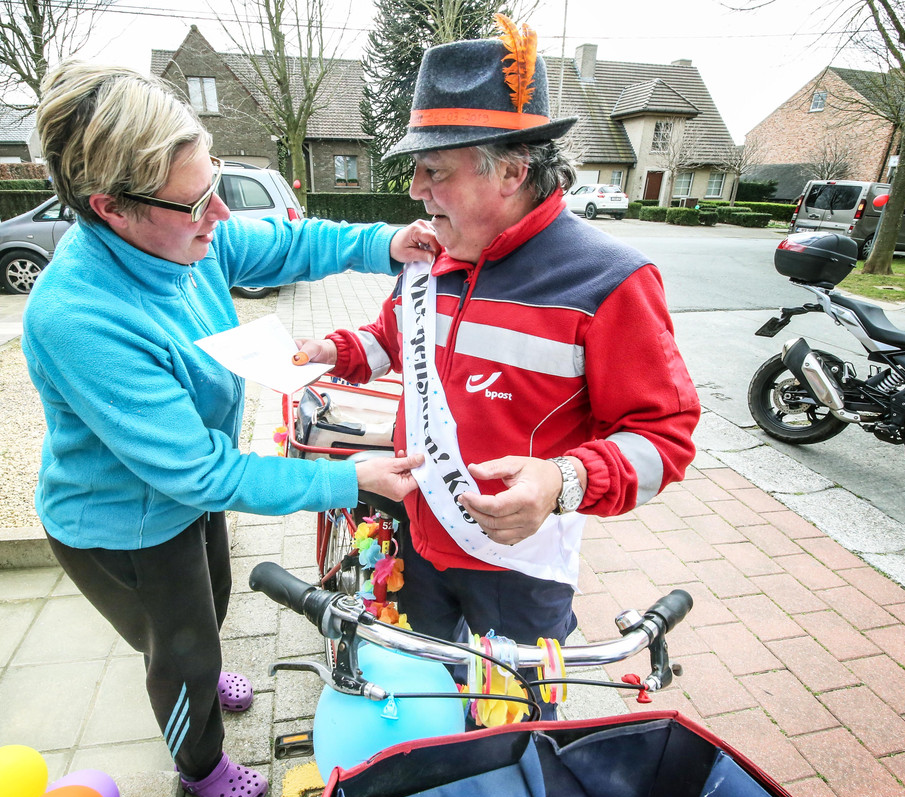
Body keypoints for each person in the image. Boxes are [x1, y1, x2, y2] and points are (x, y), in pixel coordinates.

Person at [23, 60, 434, 797]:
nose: (218, 215)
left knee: (212, 597)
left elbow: (284, 242)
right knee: (178, 649)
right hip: (125, 526)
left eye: (214, 185)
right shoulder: (78, 316)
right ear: (111, 207)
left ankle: (207, 672)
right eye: (194, 203)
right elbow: (204, 472)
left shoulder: (183, 237)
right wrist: (349, 479)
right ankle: (199, 763)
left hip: (181, 500)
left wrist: (386, 243)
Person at [297, 21, 700, 716]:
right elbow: (397, 336)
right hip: (417, 531)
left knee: (516, 721)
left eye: (435, 170)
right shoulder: (432, 255)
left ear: (512, 171)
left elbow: (665, 436)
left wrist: (566, 480)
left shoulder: (608, 281)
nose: (416, 191)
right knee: (422, 699)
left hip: (519, 564)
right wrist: (344, 351)